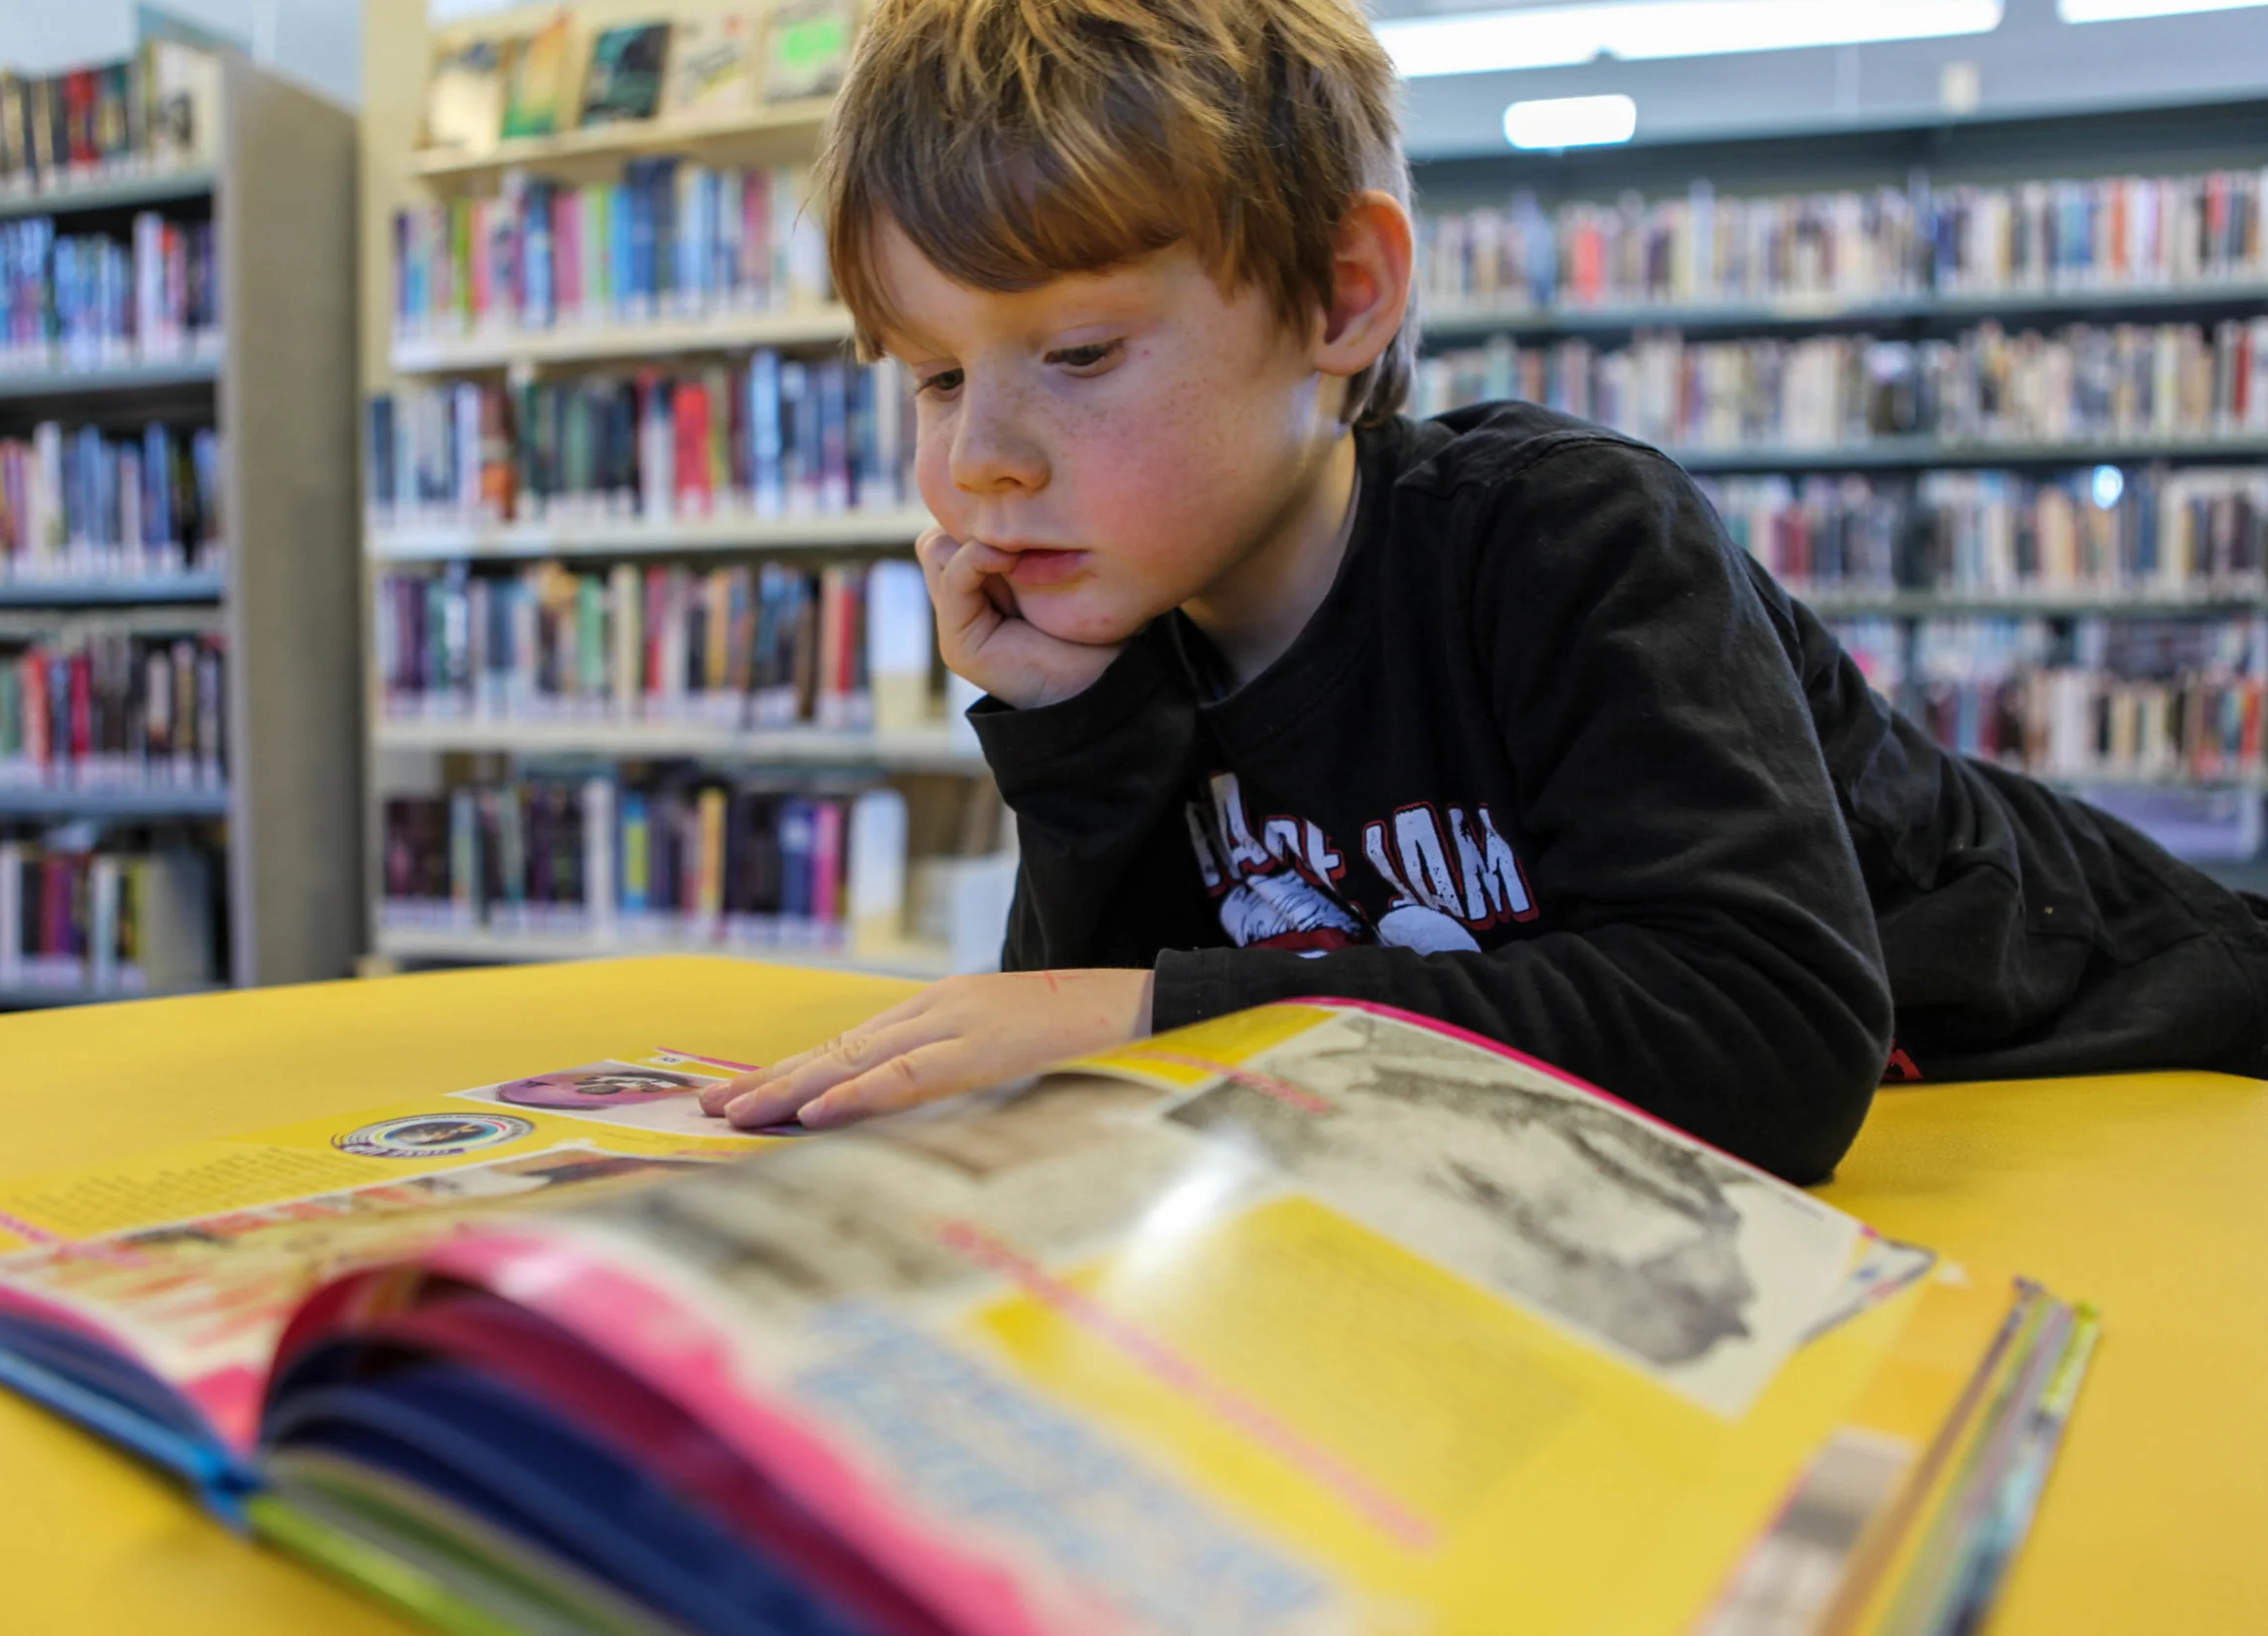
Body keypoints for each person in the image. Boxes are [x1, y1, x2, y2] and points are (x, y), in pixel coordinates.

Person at [702, 0, 2268, 1181]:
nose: (980, 459)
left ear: (1341, 295)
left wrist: (1164, 1014)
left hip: (2140, 1045)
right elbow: (1101, 1085)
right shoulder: (1138, 615)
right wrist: (1073, 732)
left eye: (1082, 354)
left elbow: (1767, 1033)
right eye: (930, 375)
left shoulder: (1565, 534)